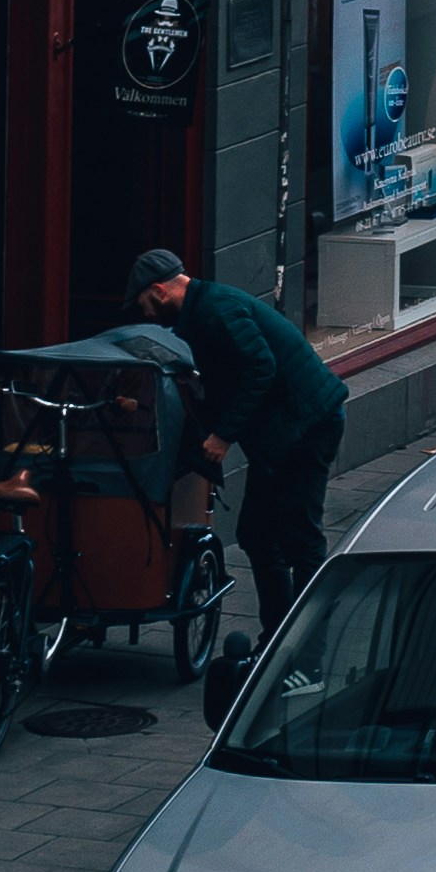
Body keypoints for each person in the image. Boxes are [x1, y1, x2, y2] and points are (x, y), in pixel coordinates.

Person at [130, 248, 344, 644]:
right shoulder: (202, 311)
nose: (146, 315)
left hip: (309, 425)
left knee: (301, 541)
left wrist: (224, 434)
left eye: (145, 305)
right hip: (281, 436)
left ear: (160, 291)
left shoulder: (216, 311)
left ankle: (308, 652)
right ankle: (277, 639)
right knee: (259, 536)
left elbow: (260, 368)